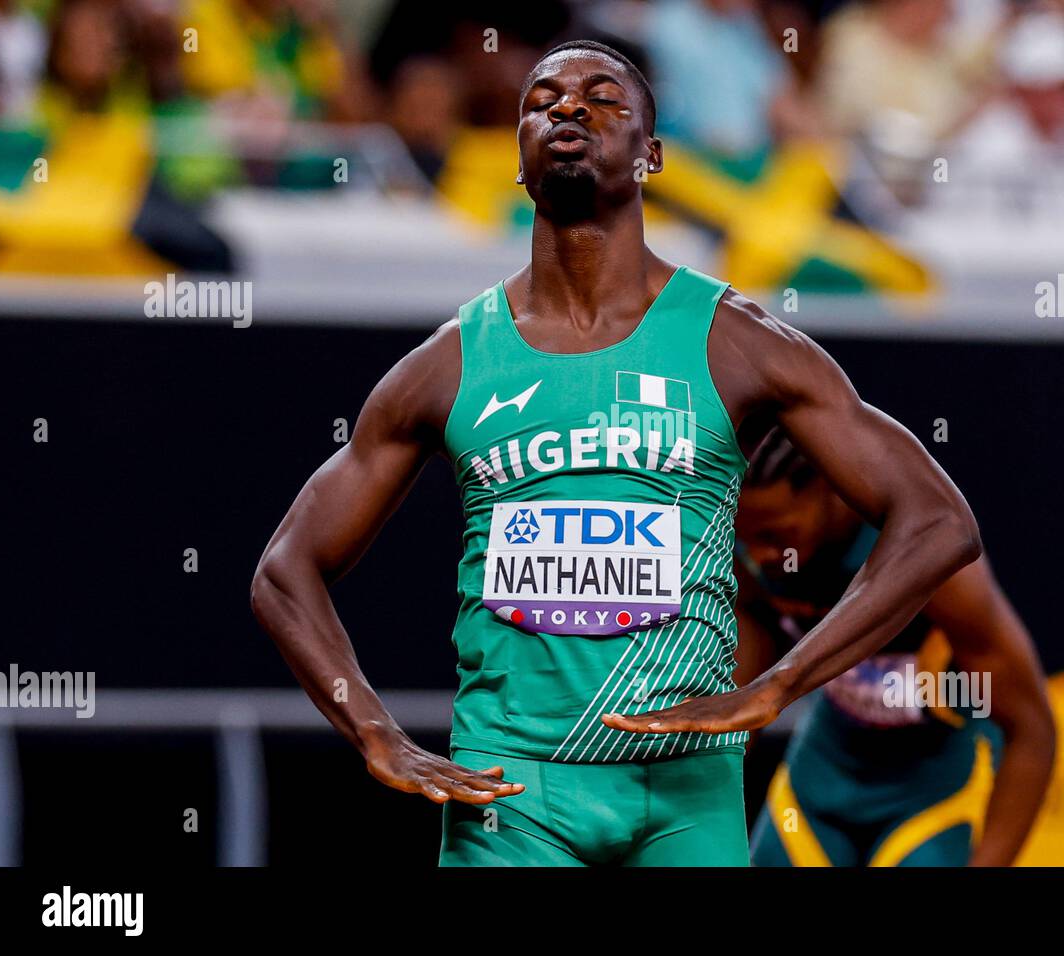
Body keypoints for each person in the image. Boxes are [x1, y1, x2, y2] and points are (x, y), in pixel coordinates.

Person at [250, 39, 981, 866]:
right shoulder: (450, 363)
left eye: (602, 98)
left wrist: (778, 686)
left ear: (652, 155)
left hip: (684, 791)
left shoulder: (735, 342)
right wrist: (372, 730)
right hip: (512, 795)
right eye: (542, 99)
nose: (566, 108)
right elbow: (284, 571)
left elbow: (936, 519)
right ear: (519, 159)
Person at [734, 427, 1055, 866]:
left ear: (831, 486)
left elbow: (1034, 731)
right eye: (745, 536)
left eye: (775, 535)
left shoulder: (934, 559)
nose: (761, 555)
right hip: (819, 781)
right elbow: (739, 703)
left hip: (932, 792)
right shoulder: (755, 547)